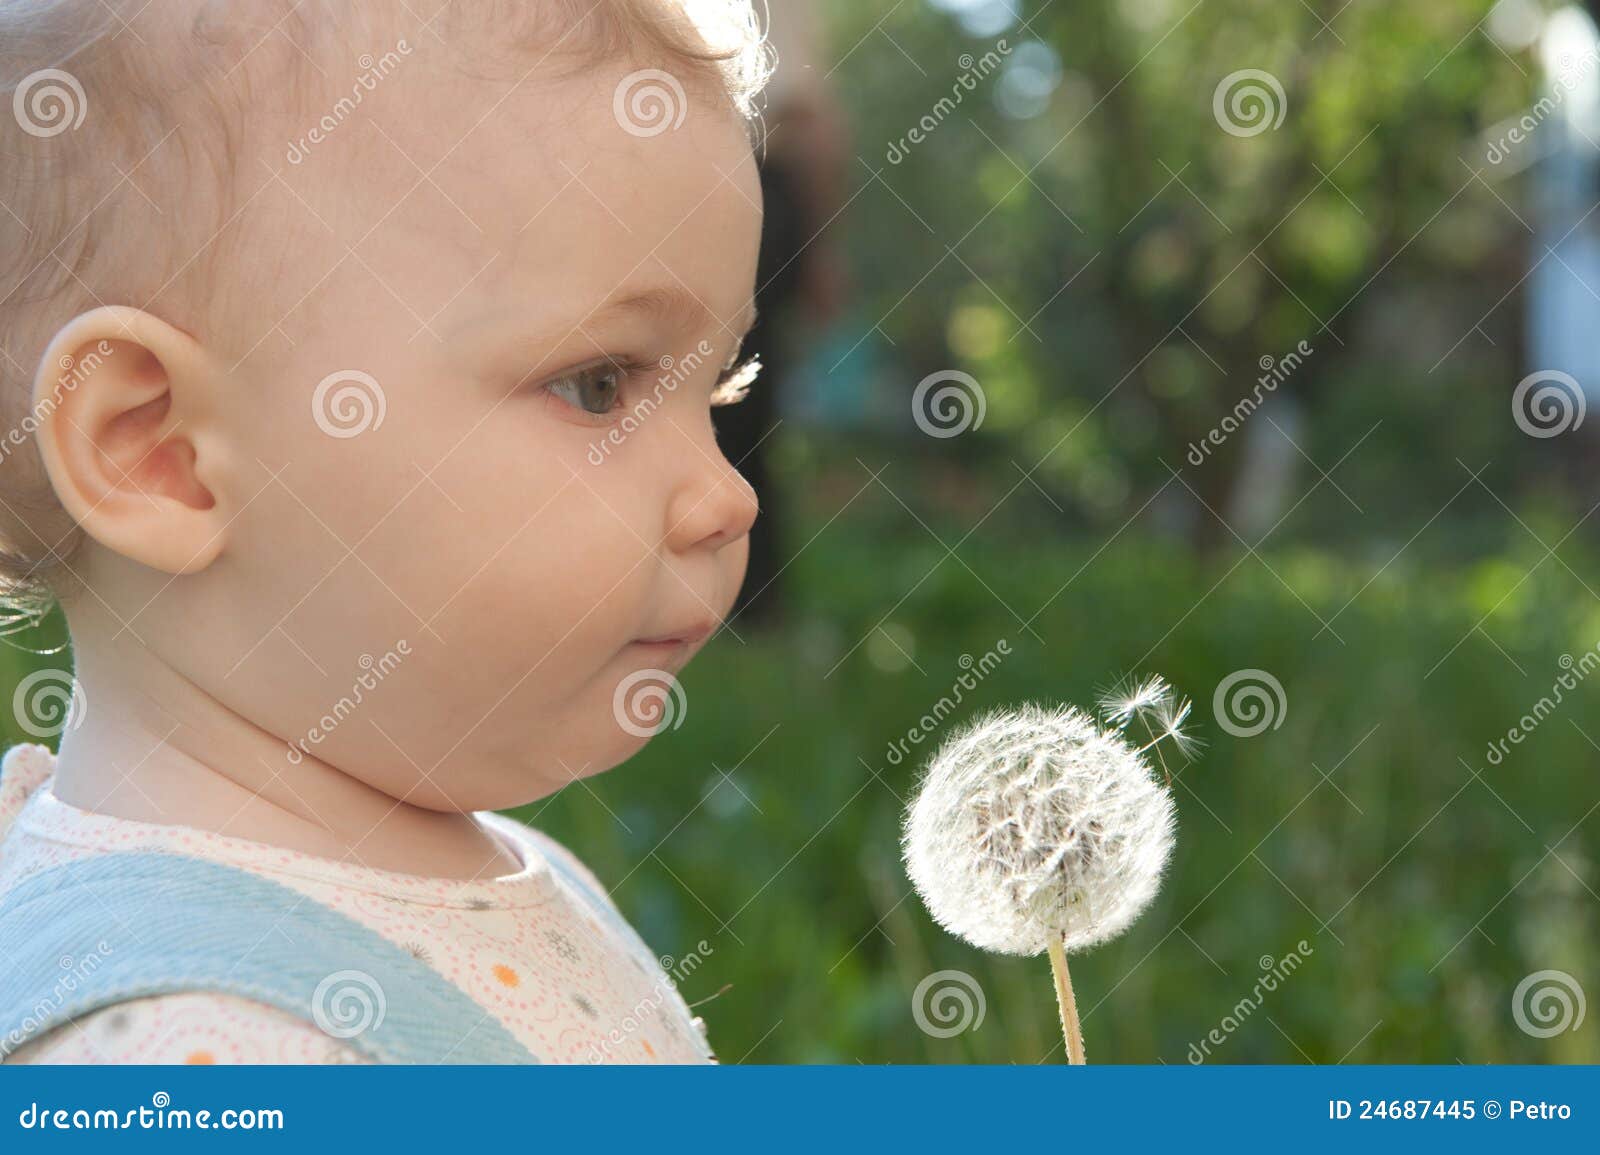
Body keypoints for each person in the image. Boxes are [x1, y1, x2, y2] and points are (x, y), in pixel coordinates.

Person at [0, 0, 770, 1064]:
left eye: (718, 388)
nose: (726, 498)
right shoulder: (177, 1043)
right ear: (160, 452)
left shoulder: (507, 878)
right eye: (599, 384)